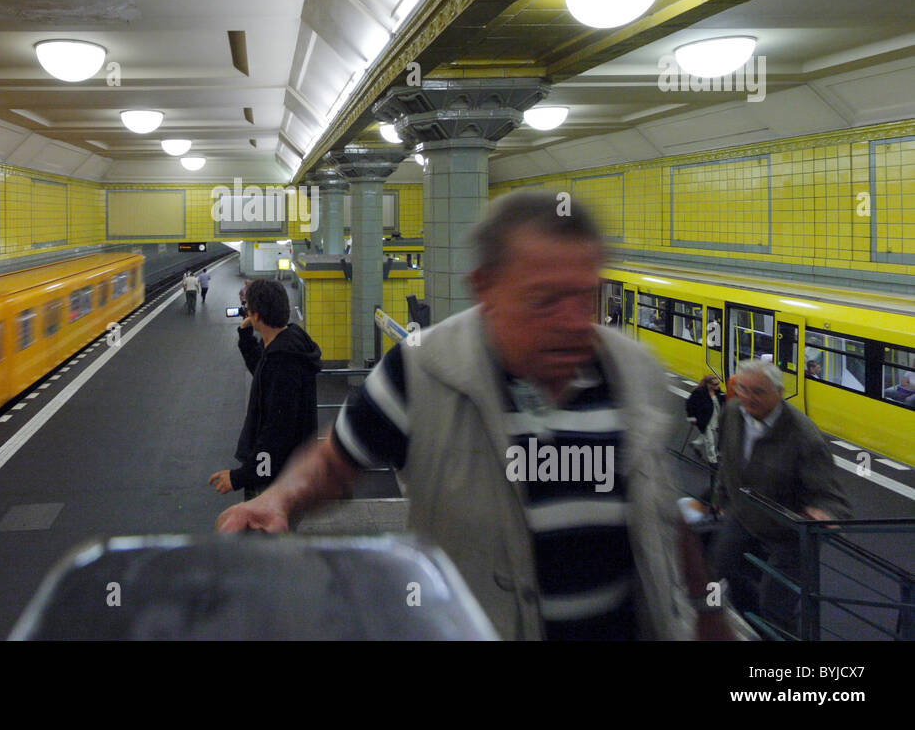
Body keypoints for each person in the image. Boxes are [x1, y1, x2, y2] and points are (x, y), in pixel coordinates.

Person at [215, 190, 733, 640]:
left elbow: (664, 518)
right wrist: (280, 497)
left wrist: (711, 617)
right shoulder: (422, 374)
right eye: (545, 300)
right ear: (485, 287)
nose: (576, 322)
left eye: (587, 296)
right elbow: (336, 458)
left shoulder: (632, 373)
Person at [709, 358, 850, 633]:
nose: (748, 398)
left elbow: (833, 497)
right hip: (743, 515)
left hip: (788, 533)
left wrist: (825, 513)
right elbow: (728, 458)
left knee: (776, 606)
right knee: (721, 568)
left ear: (779, 393)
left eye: (758, 392)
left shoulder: (803, 436)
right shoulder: (733, 411)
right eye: (743, 389)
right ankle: (752, 626)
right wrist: (721, 498)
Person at [208, 279, 321, 501]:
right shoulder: (287, 341)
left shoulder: (284, 361)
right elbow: (262, 373)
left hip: (277, 477)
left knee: (265, 534)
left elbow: (277, 432)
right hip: (285, 468)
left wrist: (242, 477)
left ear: (256, 315)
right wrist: (245, 338)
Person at [685, 375, 725, 468]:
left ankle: (696, 445)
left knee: (708, 436)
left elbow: (721, 399)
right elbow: (689, 404)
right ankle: (712, 460)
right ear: (708, 384)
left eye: (718, 384)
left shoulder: (717, 391)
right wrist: (691, 417)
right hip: (703, 418)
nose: (717, 386)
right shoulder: (699, 392)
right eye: (715, 384)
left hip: (715, 417)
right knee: (710, 440)